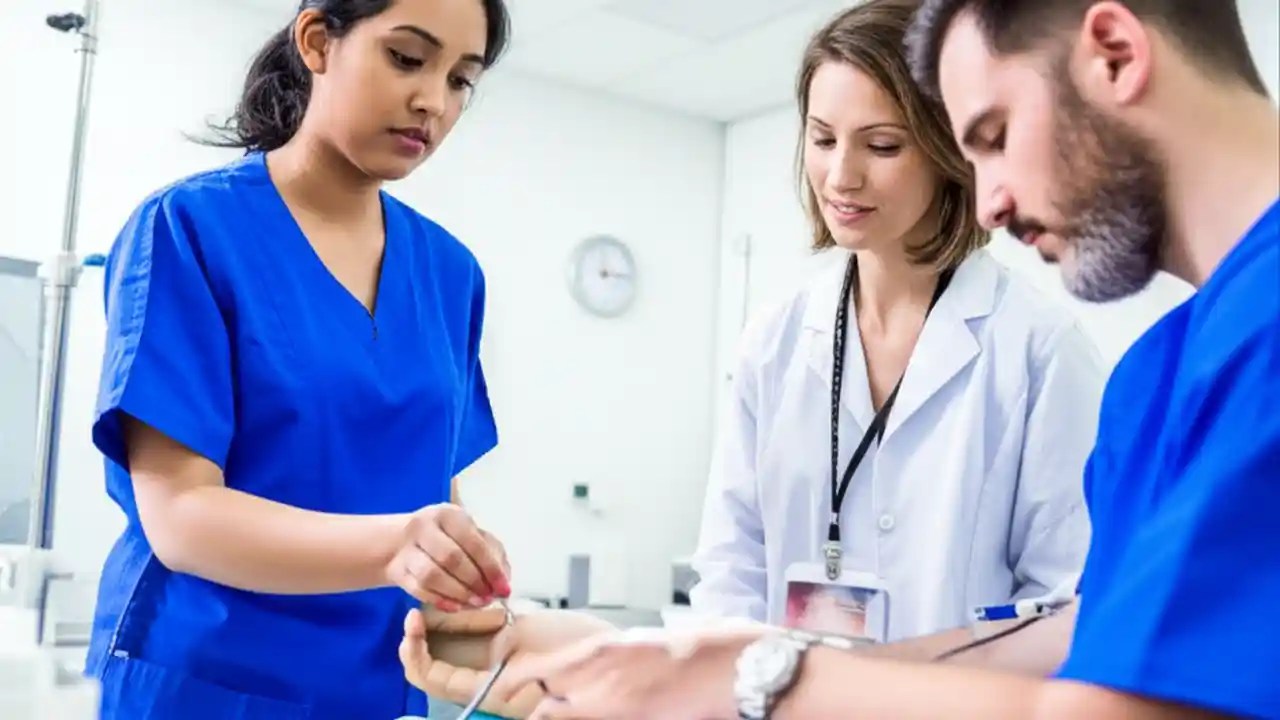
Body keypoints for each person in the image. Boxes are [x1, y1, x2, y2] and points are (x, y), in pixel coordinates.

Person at [483, 0, 1280, 717]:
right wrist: (669, 664)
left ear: (1115, 53)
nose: (990, 202)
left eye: (993, 137)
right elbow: (1085, 635)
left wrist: (758, 680)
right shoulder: (1156, 376)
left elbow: (1107, 684)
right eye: (823, 139)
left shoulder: (1083, 348)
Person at [86, 1, 514, 717]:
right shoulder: (192, 229)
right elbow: (181, 514)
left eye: (460, 80)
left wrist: (462, 581)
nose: (432, 102)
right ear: (317, 41)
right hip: (203, 682)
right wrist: (399, 547)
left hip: (373, 685)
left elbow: (428, 482)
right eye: (407, 58)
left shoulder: (450, 273)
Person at [689, 0, 1102, 643]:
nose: (841, 176)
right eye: (823, 139)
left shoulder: (1039, 349)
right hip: (782, 691)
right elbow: (730, 571)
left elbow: (1060, 600)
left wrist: (906, 684)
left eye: (881, 145)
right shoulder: (773, 342)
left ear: (948, 149)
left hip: (961, 695)